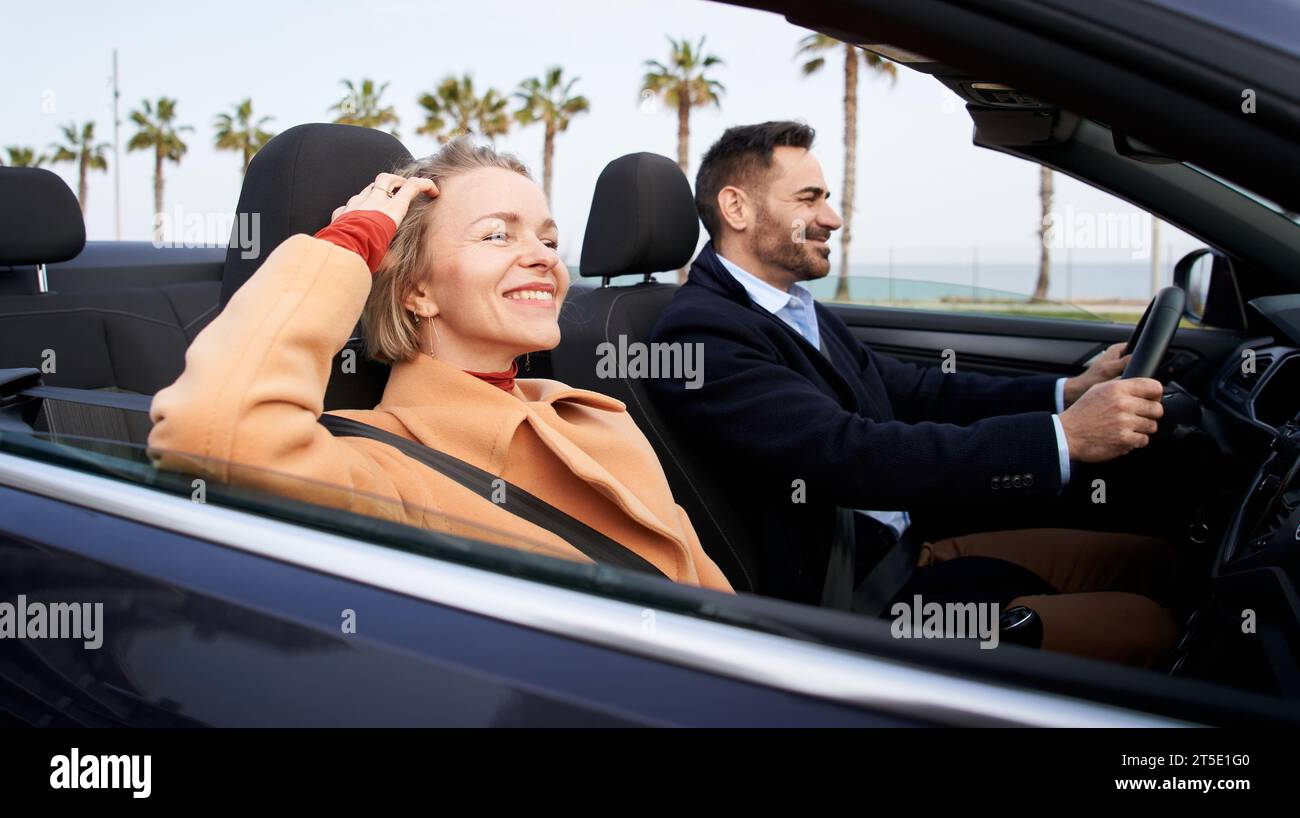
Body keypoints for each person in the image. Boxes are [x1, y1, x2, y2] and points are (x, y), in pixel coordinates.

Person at [647, 121, 1177, 666]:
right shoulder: (704, 336)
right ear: (736, 208)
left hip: (906, 548)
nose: (832, 217)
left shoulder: (792, 306)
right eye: (809, 199)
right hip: (857, 601)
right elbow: (850, 454)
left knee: (1156, 562)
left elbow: (913, 391)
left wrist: (1067, 391)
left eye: (827, 198)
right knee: (1151, 628)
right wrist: (1063, 439)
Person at [148, 137, 731, 592]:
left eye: (549, 241)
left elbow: (712, 598)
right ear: (416, 291)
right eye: (497, 235)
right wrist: (350, 242)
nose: (542, 258)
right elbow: (217, 430)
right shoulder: (388, 464)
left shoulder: (594, 416)